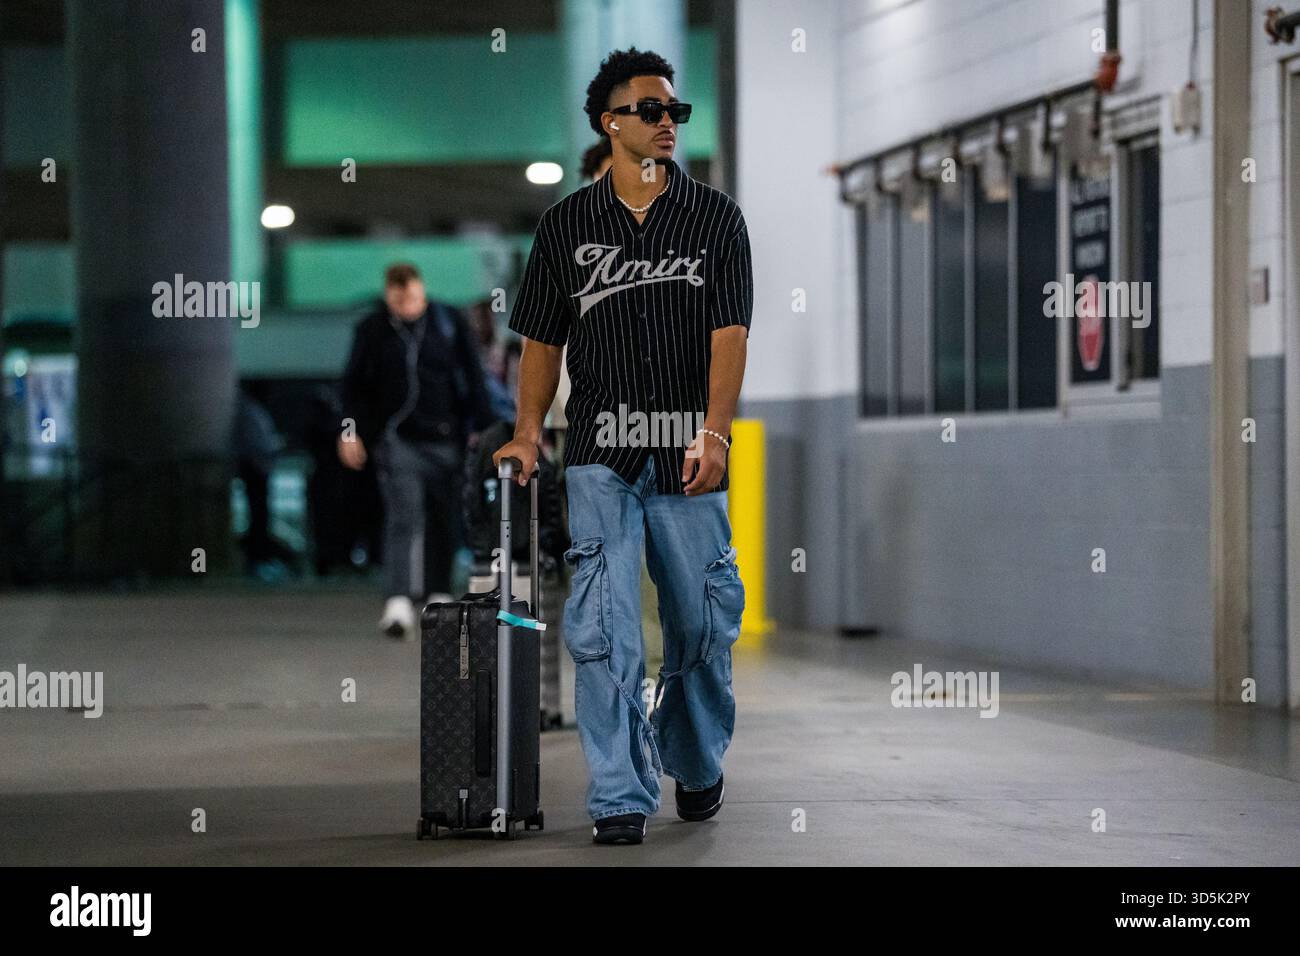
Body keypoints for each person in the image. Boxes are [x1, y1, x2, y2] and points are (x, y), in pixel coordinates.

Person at [493, 47, 753, 845]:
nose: (668, 122)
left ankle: (697, 759)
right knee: (605, 630)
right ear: (611, 124)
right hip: (603, 454)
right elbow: (539, 340)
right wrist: (529, 433)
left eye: (676, 111)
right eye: (652, 111)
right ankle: (618, 794)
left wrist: (715, 430)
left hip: (686, 453)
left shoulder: (715, 219)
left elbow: (729, 334)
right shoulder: (567, 225)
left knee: (703, 626)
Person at [339, 263, 497, 639]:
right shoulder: (373, 329)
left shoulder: (448, 322)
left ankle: (437, 593)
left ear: (422, 291)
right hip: (398, 438)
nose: (405, 305)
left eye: (410, 297)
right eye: (398, 299)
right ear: (388, 295)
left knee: (444, 519)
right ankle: (397, 599)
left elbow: (475, 378)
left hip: (447, 437)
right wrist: (350, 432)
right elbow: (353, 386)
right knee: (403, 517)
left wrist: (488, 430)